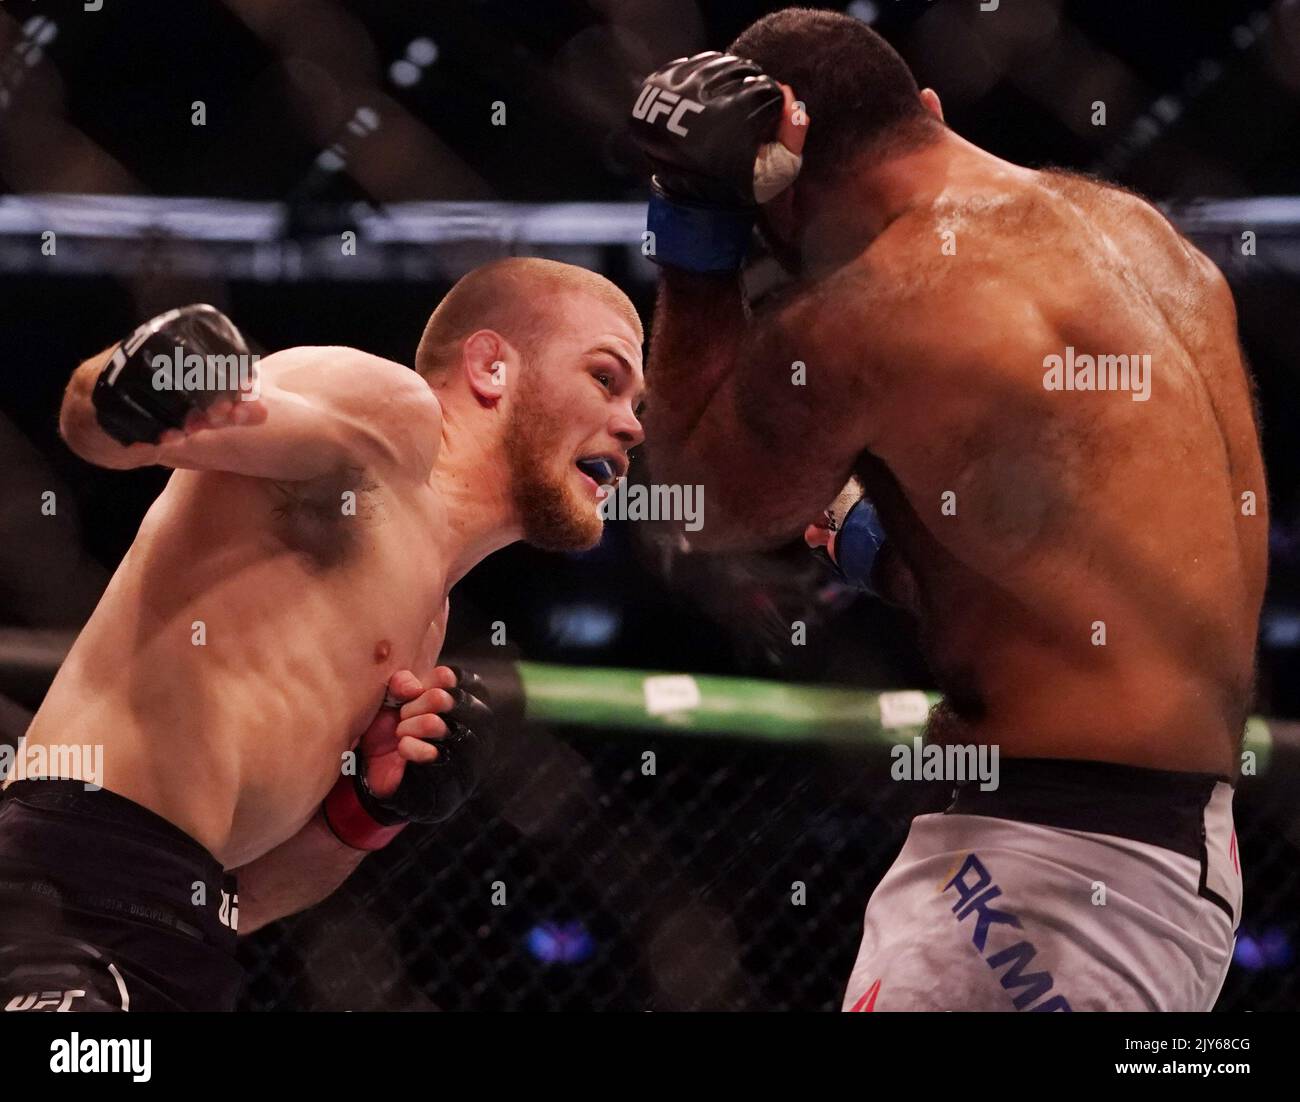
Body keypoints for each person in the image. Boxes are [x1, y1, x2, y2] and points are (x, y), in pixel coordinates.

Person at [630, 8, 1265, 1011]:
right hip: (1170, 860)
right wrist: (880, 544)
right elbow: (1105, 576)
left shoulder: (875, 305)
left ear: (779, 176)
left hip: (1040, 872)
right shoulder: (1145, 240)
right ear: (925, 111)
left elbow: (695, 501)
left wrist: (694, 228)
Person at [0, 257, 645, 1010]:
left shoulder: (427, 625)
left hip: (185, 939)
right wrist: (144, 383)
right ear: (491, 365)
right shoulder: (388, 419)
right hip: (61, 891)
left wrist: (367, 814)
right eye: (606, 379)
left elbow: (245, 903)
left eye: (639, 404)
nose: (633, 426)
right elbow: (110, 428)